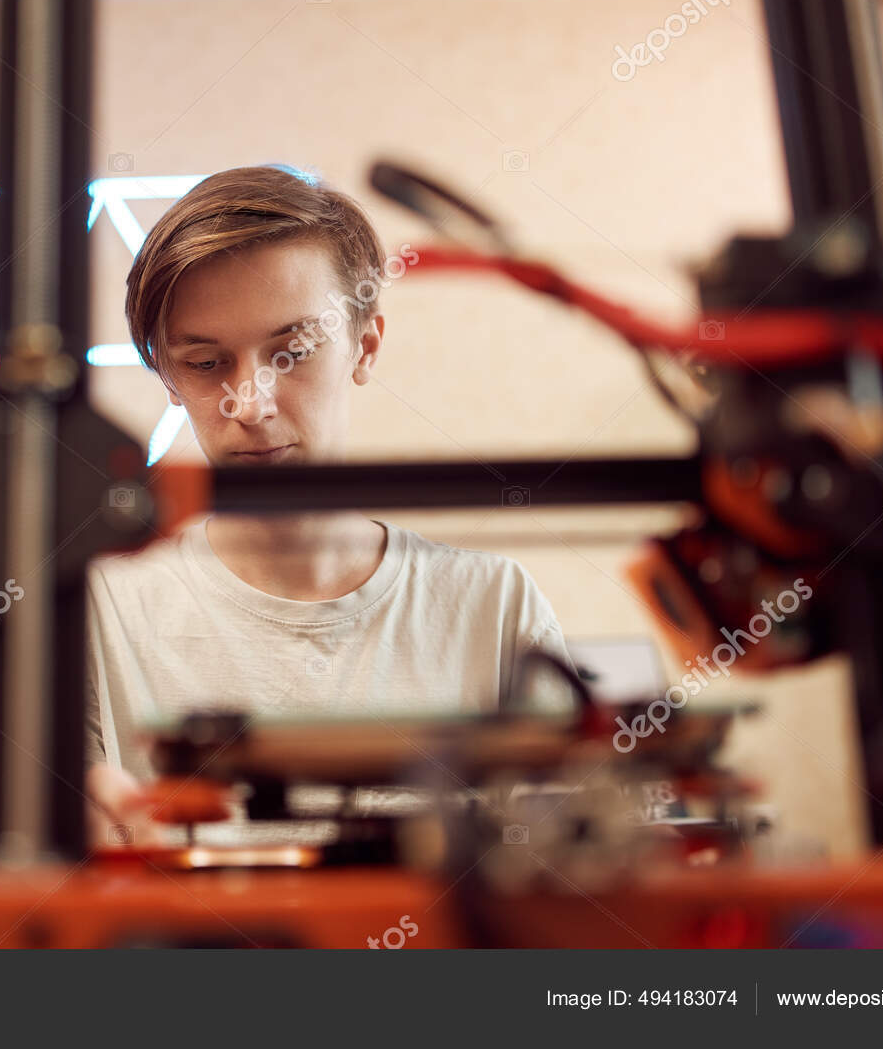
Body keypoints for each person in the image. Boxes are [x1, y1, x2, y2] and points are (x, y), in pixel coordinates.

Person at [84, 164, 568, 846]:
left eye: (293, 351)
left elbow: (575, 887)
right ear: (167, 374)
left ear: (363, 345)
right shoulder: (103, 605)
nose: (249, 404)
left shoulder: (493, 605)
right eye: (205, 363)